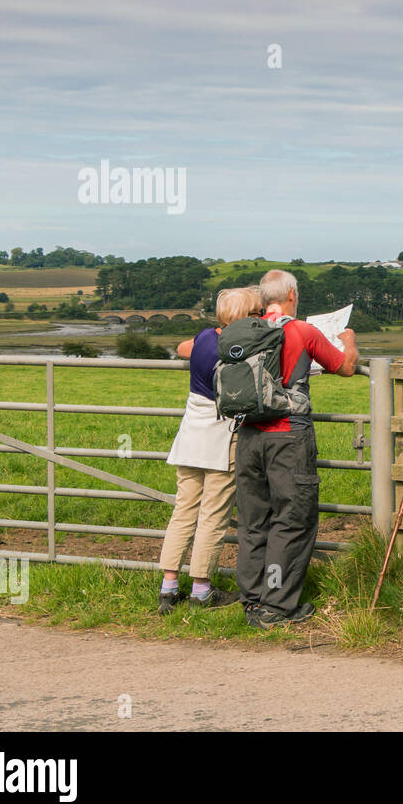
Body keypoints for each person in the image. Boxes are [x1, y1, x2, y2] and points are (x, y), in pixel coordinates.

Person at [236, 269, 357, 628]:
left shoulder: (243, 331)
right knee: (292, 519)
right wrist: (348, 340)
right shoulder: (302, 330)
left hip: (247, 435)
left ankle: (253, 600)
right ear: (291, 294)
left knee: (254, 521)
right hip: (289, 434)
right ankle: (276, 607)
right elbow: (345, 367)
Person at [157, 286, 263, 614]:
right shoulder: (242, 345)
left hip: (190, 434)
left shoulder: (204, 338)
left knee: (184, 509)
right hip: (221, 435)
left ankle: (169, 586)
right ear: (246, 317)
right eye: (257, 313)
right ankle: (201, 589)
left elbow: (182, 348)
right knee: (213, 514)